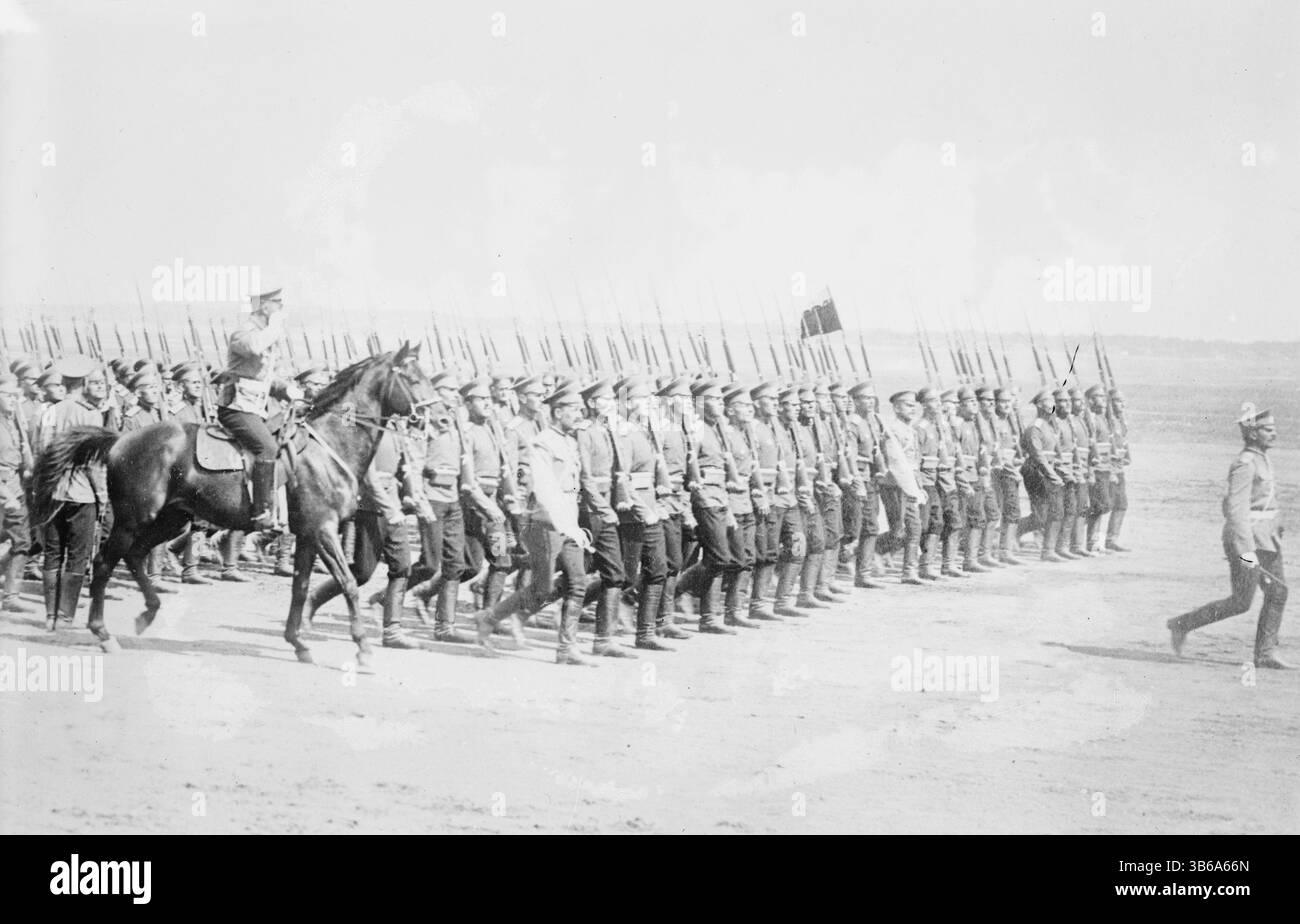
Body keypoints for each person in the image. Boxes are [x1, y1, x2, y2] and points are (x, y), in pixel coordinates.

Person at [473, 381, 593, 665]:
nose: (579, 413)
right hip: (546, 523)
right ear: (557, 411)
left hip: (567, 522)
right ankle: (489, 617)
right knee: (542, 589)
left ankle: (566, 649)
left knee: (578, 583)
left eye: (579, 408)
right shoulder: (543, 443)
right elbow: (543, 488)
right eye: (573, 409)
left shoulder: (570, 441)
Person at [1166, 406, 1288, 669]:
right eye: (1268, 430)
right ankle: (1181, 624)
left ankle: (1265, 654)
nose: (1274, 434)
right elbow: (1235, 510)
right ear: (1253, 434)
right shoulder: (1244, 464)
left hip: (1267, 540)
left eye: (1273, 428)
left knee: (1277, 591)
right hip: (1247, 542)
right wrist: (1247, 553)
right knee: (1242, 602)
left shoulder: (1261, 458)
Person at [29, 356, 107, 630]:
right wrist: (103, 496)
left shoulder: (47, 411)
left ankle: (49, 616)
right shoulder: (89, 414)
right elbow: (93, 463)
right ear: (84, 383)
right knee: (77, 554)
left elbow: (38, 452)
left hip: (50, 492)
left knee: (51, 553)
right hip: (81, 493)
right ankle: (65, 617)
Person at [215, 288, 301, 529]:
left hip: (256, 409)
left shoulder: (265, 334)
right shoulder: (244, 333)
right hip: (236, 407)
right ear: (265, 307)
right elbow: (254, 347)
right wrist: (275, 326)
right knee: (267, 449)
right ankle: (261, 511)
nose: (281, 310)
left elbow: (265, 379)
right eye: (278, 305)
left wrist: (287, 390)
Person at [0, 374, 33, 613]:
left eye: (16, 395)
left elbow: (24, 460)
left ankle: (11, 596)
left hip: (14, 487)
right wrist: (6, 496)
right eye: (8, 395)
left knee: (22, 541)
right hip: (4, 491)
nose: (13, 400)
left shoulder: (14, 421)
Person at [1106, 388, 1132, 551]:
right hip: (1108, 470)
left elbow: (1123, 443)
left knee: (1121, 504)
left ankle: (1111, 539)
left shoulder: (1121, 421)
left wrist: (1126, 456)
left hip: (1119, 468)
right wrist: (1110, 471)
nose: (1122, 404)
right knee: (1102, 505)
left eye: (1122, 401)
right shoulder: (1106, 421)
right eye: (1117, 401)